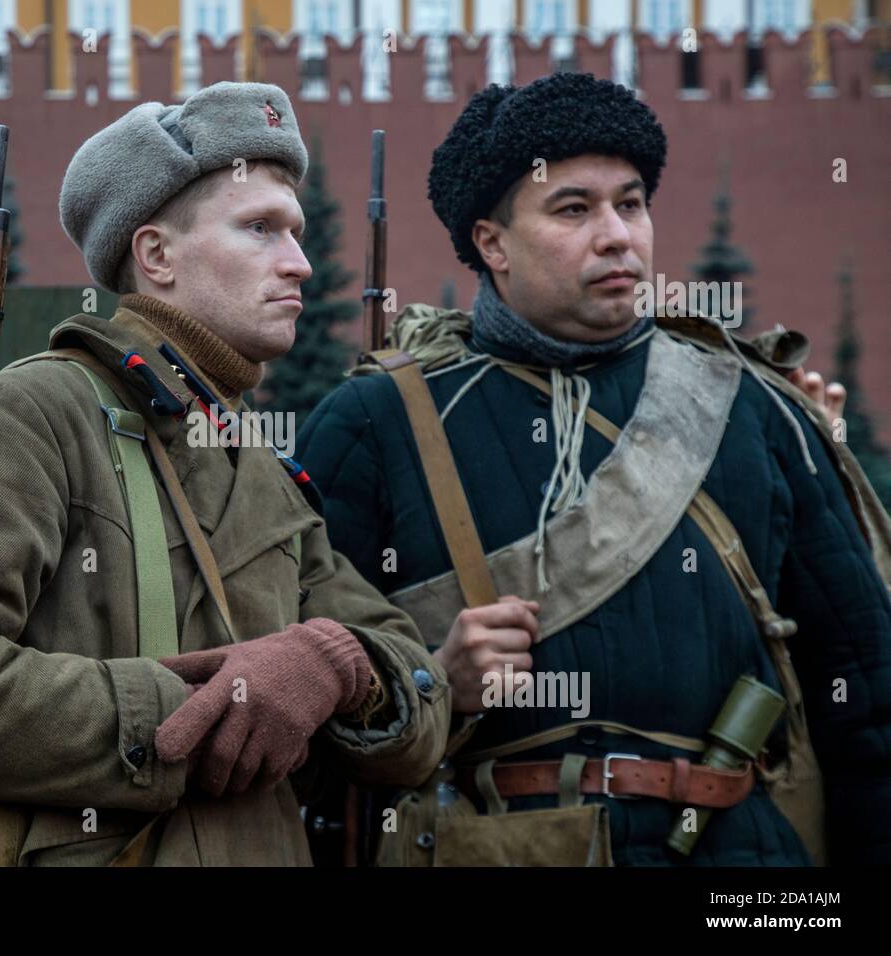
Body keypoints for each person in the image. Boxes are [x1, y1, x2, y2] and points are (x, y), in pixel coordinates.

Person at [0, 81, 449, 866]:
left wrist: (338, 670)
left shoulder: (255, 465)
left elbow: (418, 699)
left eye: (294, 232)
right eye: (260, 229)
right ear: (155, 254)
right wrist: (199, 715)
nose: (299, 264)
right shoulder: (27, 418)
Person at [297, 72, 891, 866]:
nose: (617, 234)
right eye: (573, 208)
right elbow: (305, 705)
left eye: (632, 202)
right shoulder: (373, 425)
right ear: (492, 242)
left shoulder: (753, 405)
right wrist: (432, 682)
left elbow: (865, 694)